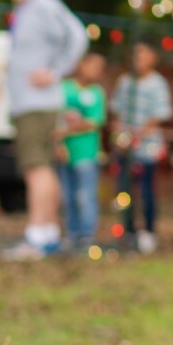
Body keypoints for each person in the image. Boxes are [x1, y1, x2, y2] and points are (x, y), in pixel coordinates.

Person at [0, 0, 88, 260]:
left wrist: (55, 72)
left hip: (38, 104)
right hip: (29, 104)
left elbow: (77, 36)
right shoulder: (25, 10)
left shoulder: (43, 5)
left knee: (36, 169)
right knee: (42, 168)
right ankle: (48, 234)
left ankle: (37, 236)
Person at [110, 41, 173, 253]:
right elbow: (117, 113)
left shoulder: (158, 83)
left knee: (146, 190)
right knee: (124, 190)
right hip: (126, 148)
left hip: (148, 147)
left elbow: (158, 115)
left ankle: (148, 231)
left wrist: (136, 136)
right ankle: (128, 231)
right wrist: (120, 137)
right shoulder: (125, 82)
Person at [58, 53, 108, 249]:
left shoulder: (97, 93)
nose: (95, 71)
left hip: (87, 153)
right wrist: (60, 144)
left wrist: (66, 130)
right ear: (81, 65)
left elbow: (93, 123)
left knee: (85, 196)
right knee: (68, 196)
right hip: (65, 153)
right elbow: (56, 119)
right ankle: (71, 234)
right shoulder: (64, 89)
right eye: (92, 65)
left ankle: (87, 235)